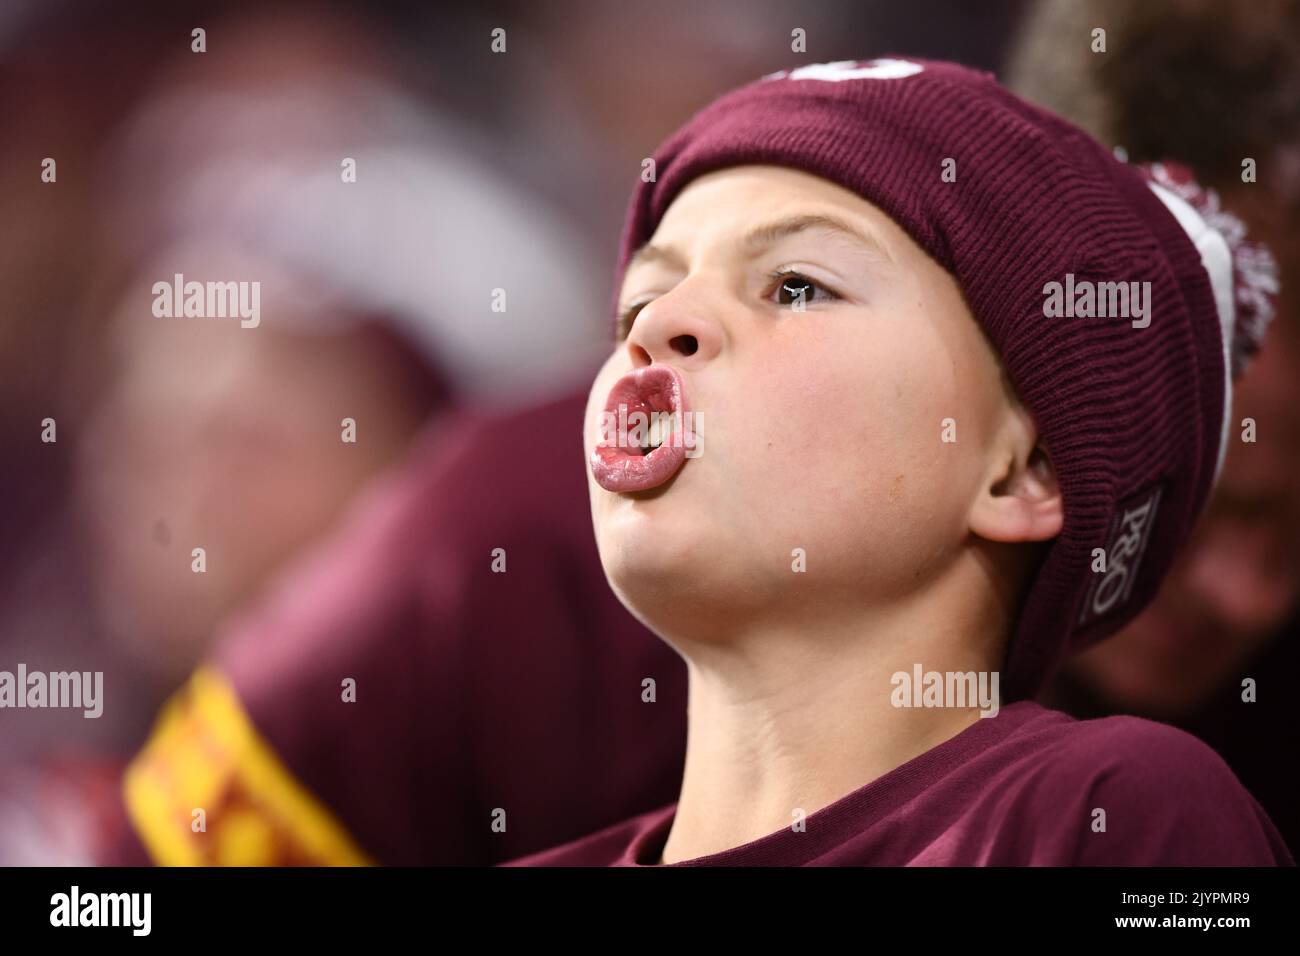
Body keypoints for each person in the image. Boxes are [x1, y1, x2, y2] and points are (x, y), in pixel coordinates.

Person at [504, 57, 1292, 866]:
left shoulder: (1117, 809)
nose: (661, 321)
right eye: (641, 299)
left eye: (798, 286)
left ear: (1025, 472)